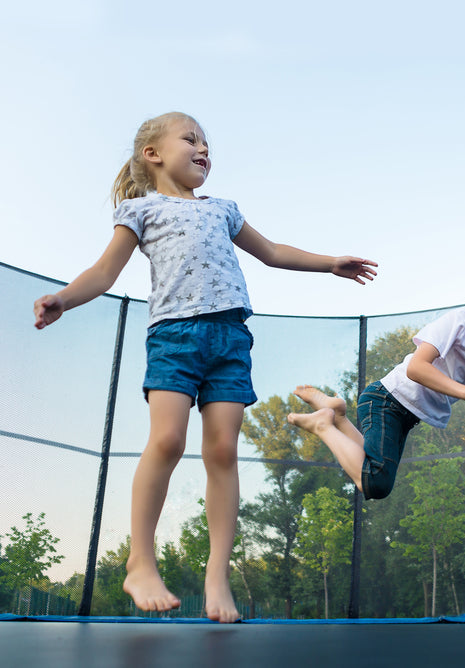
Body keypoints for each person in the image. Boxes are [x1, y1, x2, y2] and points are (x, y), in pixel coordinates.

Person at [33, 112, 377, 623]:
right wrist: (64, 298)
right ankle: (140, 561)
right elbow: (105, 272)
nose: (203, 149)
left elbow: (274, 252)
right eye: (190, 139)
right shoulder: (140, 209)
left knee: (222, 450)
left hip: (230, 338)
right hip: (175, 335)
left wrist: (329, 262)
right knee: (168, 441)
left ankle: (217, 575)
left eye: (207, 144)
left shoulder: (223, 210)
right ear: (153, 154)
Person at [287, 261, 465, 501]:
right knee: (376, 483)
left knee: (373, 469)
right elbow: (416, 367)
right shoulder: (458, 324)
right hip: (386, 401)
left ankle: (338, 415)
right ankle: (323, 424)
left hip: (407, 414)